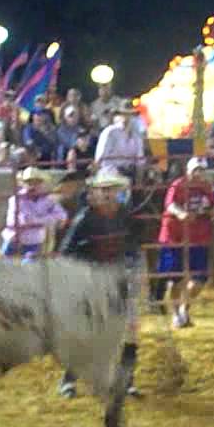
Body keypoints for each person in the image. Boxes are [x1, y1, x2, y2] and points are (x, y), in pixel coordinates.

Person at [55, 169, 140, 399]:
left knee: (130, 331)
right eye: (104, 190)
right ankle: (68, 379)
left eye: (112, 189)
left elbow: (133, 243)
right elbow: (66, 253)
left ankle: (127, 381)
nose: (108, 194)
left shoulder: (124, 214)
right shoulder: (85, 218)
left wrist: (131, 263)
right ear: (97, 192)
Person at [157, 157, 214, 328]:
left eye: (202, 170)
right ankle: (176, 314)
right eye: (196, 170)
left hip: (198, 236)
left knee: (200, 277)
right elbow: (169, 204)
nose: (199, 174)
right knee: (175, 278)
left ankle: (185, 309)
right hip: (174, 236)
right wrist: (180, 213)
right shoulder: (178, 184)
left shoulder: (206, 187)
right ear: (188, 171)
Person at [1, 167, 68, 259]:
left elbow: (62, 216)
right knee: (5, 264)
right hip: (13, 240)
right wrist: (47, 219)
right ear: (23, 184)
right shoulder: (16, 199)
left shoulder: (47, 200)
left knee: (30, 264)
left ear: (42, 184)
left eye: (36, 183)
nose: (32, 186)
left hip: (34, 241)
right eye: (29, 182)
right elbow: (22, 220)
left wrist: (38, 220)